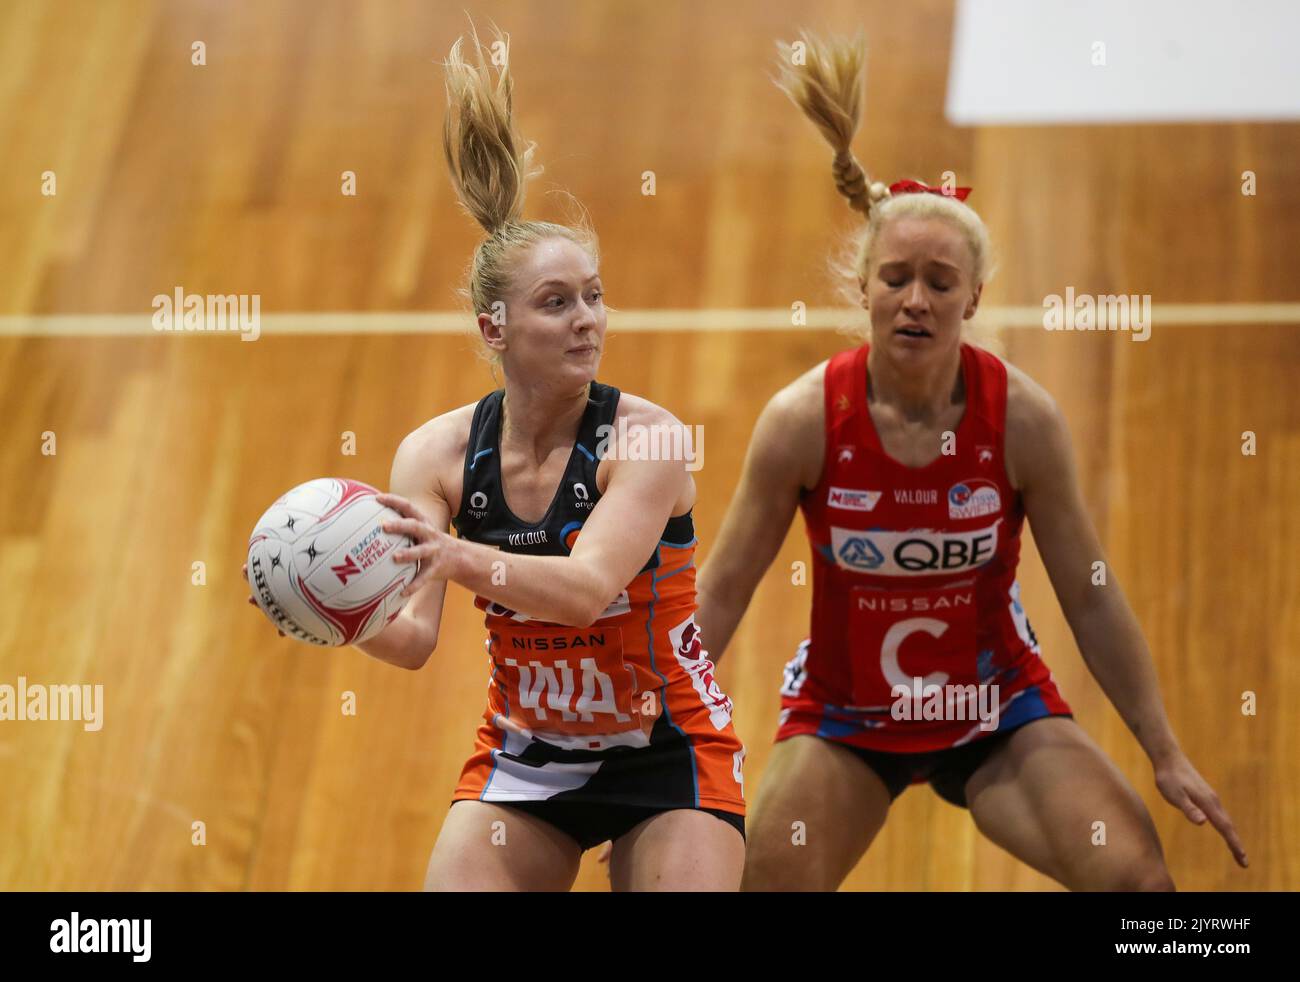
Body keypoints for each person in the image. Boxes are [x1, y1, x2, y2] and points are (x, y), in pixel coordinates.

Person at [694, 31, 1246, 891]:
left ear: (974, 298)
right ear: (863, 288)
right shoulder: (802, 421)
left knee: (1142, 888)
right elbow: (721, 592)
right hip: (846, 722)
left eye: (940, 282)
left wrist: (1164, 750)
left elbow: (1090, 596)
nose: (916, 299)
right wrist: (659, 752)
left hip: (996, 714)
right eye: (896, 277)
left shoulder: (1022, 420)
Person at [245, 26, 745, 892]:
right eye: (557, 303)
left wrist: (459, 554)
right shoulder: (437, 455)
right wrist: (330, 605)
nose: (587, 318)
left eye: (593, 296)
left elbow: (588, 590)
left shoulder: (648, 440)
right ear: (496, 329)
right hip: (528, 757)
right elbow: (412, 641)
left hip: (670, 751)